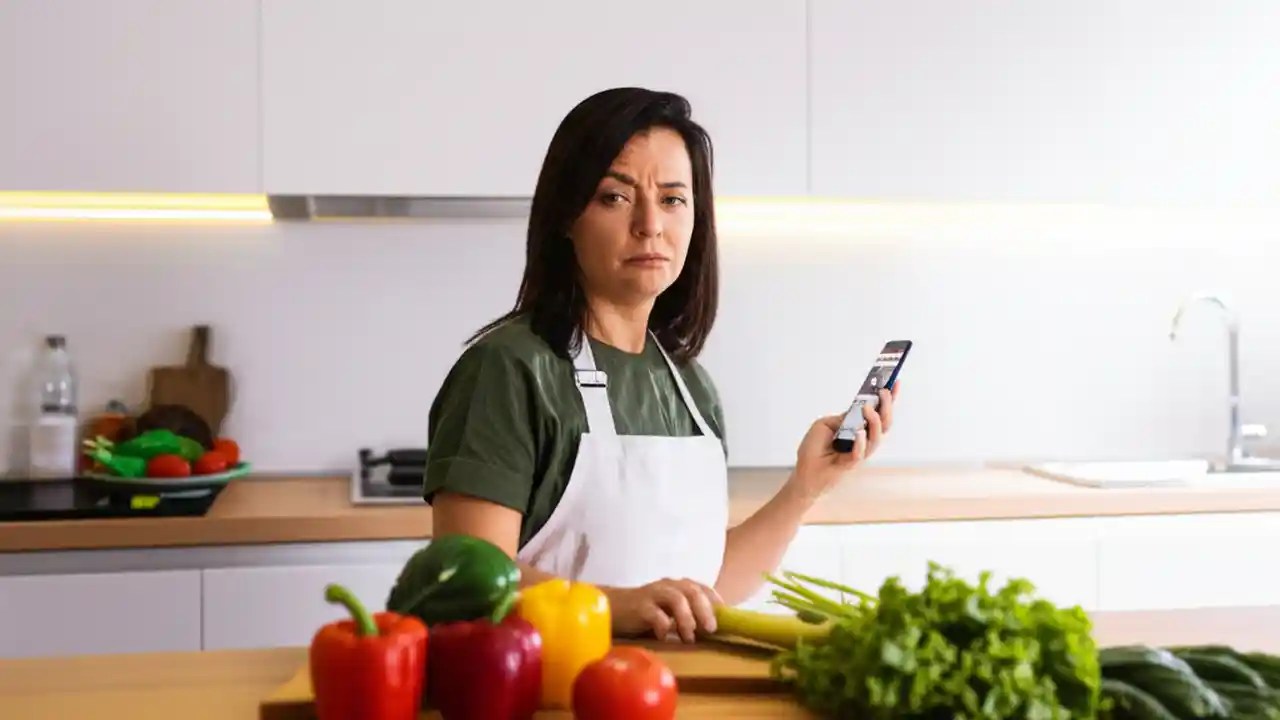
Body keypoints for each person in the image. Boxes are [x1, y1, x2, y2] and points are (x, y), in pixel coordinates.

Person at [422, 87, 900, 642]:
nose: (650, 224)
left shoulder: (691, 388)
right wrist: (618, 608)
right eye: (614, 197)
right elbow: (468, 590)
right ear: (565, 217)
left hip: (669, 692)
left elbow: (705, 587)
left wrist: (805, 488)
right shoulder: (507, 370)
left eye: (673, 199)